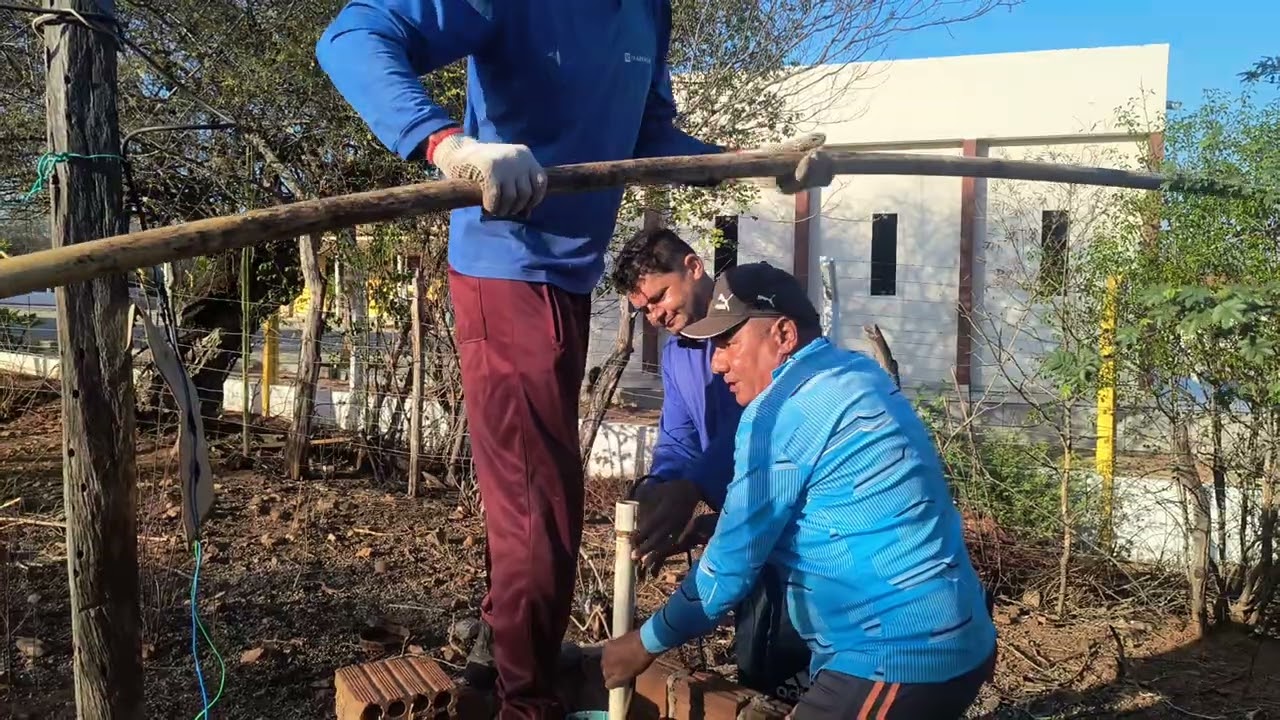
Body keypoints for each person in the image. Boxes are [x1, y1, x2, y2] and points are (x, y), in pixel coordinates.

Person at [314, 3, 822, 718]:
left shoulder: (650, 10)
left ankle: (498, 657)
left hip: (567, 281)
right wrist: (448, 145)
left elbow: (648, 135)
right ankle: (527, 700)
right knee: (540, 504)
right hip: (504, 269)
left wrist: (742, 162)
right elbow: (352, 39)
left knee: (537, 492)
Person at [601, 262, 998, 719]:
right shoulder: (854, 373)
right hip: (958, 633)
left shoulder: (779, 413)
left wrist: (642, 643)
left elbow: (724, 578)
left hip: (896, 654)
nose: (717, 362)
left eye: (729, 342)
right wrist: (714, 526)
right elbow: (844, 505)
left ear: (784, 335)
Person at [610, 227, 811, 702]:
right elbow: (677, 440)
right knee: (757, 658)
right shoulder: (679, 354)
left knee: (794, 661)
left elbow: (758, 424)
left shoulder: (757, 328)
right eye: (644, 310)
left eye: (659, 297)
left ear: (693, 267)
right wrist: (659, 491)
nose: (655, 316)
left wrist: (692, 489)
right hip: (740, 525)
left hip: (792, 533)